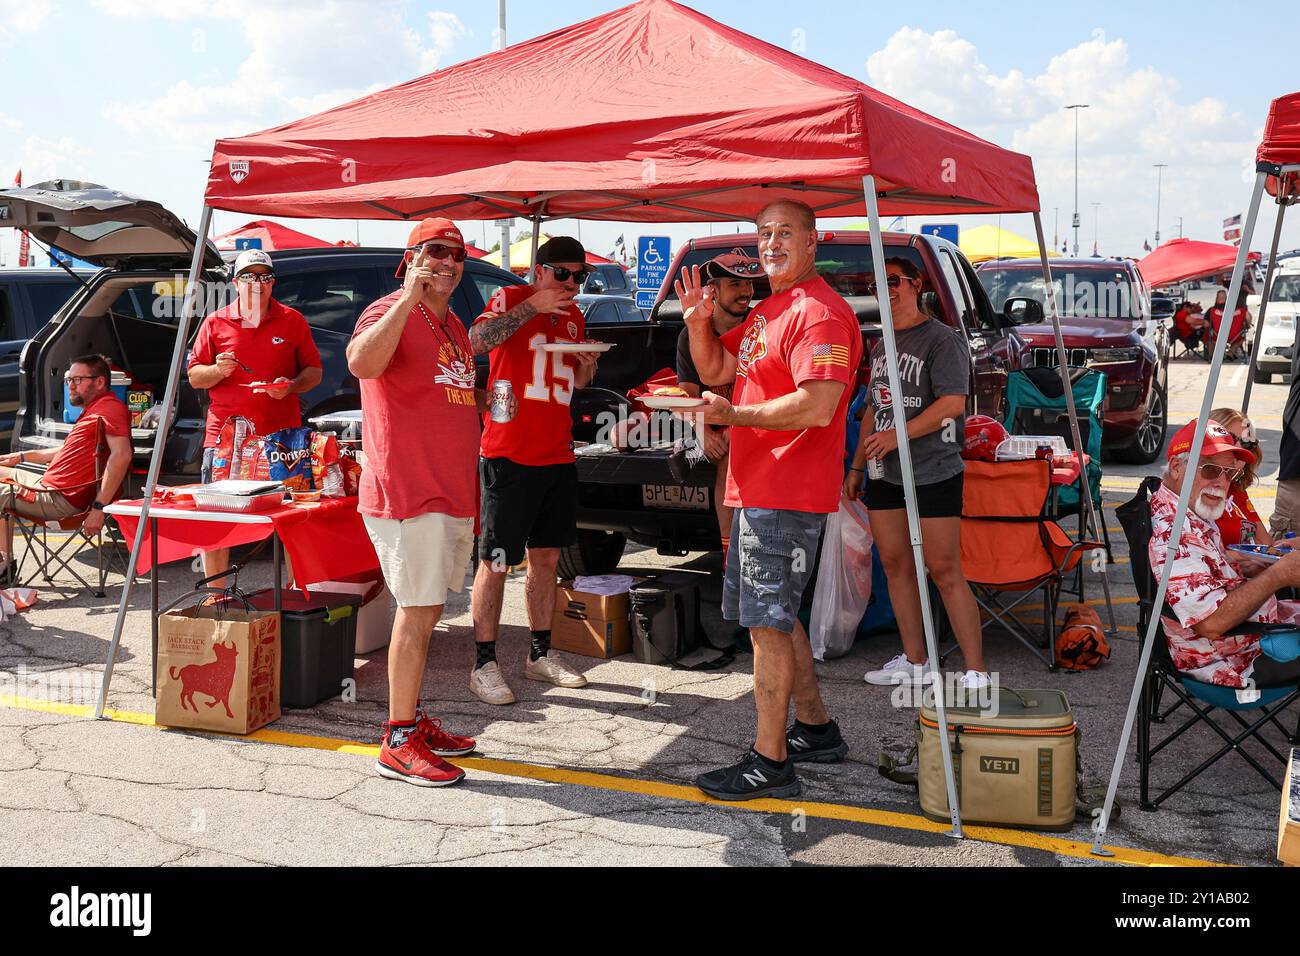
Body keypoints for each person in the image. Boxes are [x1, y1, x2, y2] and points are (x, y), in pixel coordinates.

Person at [678, 199, 861, 800]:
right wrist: (698, 323)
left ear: (813, 242)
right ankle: (815, 729)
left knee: (765, 626)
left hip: (786, 491)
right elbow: (717, 370)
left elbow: (819, 404)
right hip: (759, 488)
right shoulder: (771, 310)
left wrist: (738, 415)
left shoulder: (820, 313)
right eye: (764, 233)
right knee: (777, 621)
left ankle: (769, 760)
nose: (772, 243)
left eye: (786, 232)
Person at [347, 218, 480, 787]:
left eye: (456, 254)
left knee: (431, 610)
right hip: (409, 490)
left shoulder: (451, 321)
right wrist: (406, 296)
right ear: (410, 258)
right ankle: (398, 740)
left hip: (450, 491)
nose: (447, 262)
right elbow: (361, 363)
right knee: (418, 609)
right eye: (434, 252)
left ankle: (413, 720)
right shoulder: (386, 310)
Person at [467, 236, 602, 705]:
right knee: (497, 561)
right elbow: (477, 340)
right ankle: (484, 663)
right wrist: (534, 305)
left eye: (579, 276)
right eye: (561, 273)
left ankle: (539, 654)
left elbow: (574, 381)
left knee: (547, 560)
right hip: (509, 452)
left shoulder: (574, 316)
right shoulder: (512, 298)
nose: (571, 283)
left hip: (557, 454)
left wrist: (586, 367)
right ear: (539, 270)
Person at [843, 257, 990, 691]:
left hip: (933, 469)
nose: (883, 290)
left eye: (892, 281)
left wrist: (897, 437)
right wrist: (856, 465)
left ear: (915, 285)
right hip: (884, 473)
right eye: (875, 284)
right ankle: (915, 661)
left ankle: (976, 671)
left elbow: (951, 405)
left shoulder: (942, 340)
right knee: (895, 564)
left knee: (943, 568)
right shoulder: (880, 343)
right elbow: (874, 405)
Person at [188, 249, 322, 586]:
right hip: (226, 442)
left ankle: (296, 598)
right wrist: (218, 369)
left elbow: (314, 372)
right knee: (217, 521)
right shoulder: (215, 322)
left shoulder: (292, 320)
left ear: (273, 282)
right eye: (249, 276)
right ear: (235, 282)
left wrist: (290, 386)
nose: (257, 283)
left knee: (294, 521)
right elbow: (194, 376)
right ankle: (215, 597)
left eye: (264, 276)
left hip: (282, 440)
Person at [1149, 419, 1300, 688]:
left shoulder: (1189, 512)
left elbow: (1204, 580)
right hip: (1233, 661)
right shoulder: (1174, 534)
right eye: (1209, 469)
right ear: (1175, 467)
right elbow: (1210, 623)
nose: (1221, 482)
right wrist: (1277, 576)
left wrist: (1252, 565)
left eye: (1228, 473)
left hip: (1247, 637)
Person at [0, 354, 131, 579]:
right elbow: (66, 450)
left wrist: (99, 509)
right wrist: (21, 457)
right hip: (49, 487)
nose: (70, 385)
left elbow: (122, 455)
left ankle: (3, 566)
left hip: (58, 500)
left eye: (77, 380)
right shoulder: (96, 409)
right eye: (68, 380)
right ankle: (5, 563)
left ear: (99, 382)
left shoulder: (110, 409)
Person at [674, 250, 763, 557]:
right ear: (713, 290)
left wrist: (736, 425)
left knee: (733, 447)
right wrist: (702, 432)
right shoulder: (693, 332)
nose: (746, 291)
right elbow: (686, 394)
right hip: (706, 429)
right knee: (727, 456)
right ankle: (729, 557)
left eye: (749, 284)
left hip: (753, 423)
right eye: (735, 284)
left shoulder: (760, 324)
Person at [1207, 407, 1273, 549]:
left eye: (1246, 443)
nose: (1239, 448)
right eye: (1229, 438)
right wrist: (1248, 558)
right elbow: (1203, 555)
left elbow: (1266, 543)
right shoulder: (1196, 490)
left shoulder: (1236, 489)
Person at [1205, 289, 1250, 360]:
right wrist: (1247, 326)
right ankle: (1231, 353)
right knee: (1241, 337)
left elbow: (1206, 324)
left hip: (1218, 336)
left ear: (1217, 298)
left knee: (1209, 335)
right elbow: (1249, 317)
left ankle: (1212, 356)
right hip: (1235, 336)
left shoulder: (1211, 310)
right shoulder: (1239, 309)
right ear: (1227, 298)